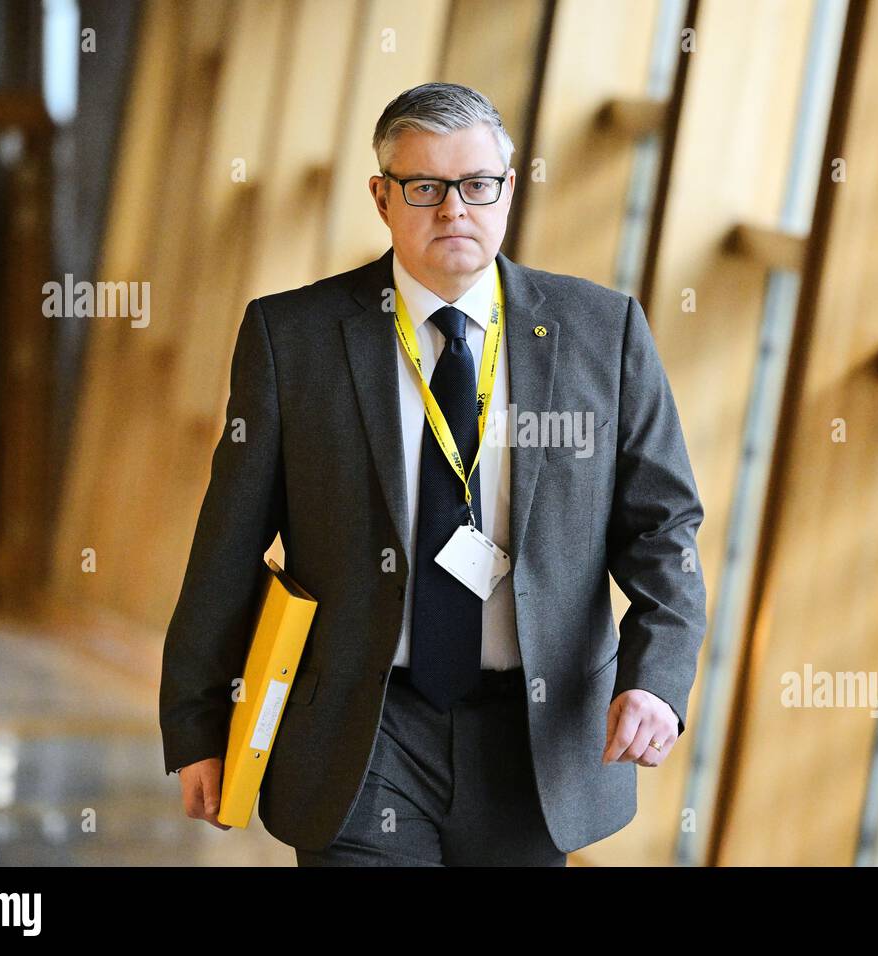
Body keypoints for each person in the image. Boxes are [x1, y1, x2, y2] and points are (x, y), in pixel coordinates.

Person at [159, 82, 706, 866]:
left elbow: (664, 527)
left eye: (477, 185)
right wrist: (198, 723)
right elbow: (229, 544)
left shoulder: (601, 332)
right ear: (383, 198)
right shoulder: (296, 338)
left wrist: (656, 675)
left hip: (536, 735)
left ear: (508, 192)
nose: (455, 209)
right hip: (365, 731)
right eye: (425, 188)